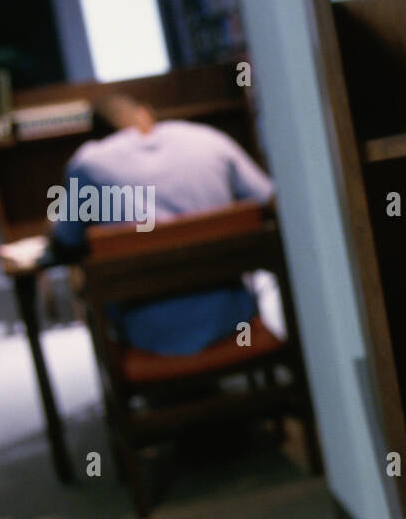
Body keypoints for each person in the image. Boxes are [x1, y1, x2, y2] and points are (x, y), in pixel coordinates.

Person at [47, 94, 278, 356]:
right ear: (146, 113)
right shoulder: (208, 140)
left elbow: (64, 245)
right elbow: (270, 201)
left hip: (145, 337)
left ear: (98, 135)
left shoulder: (87, 164)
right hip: (234, 321)